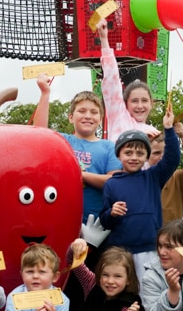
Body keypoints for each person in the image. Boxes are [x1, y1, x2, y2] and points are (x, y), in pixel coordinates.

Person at [99, 113, 180, 282]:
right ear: (119, 155)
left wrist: (169, 129)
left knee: (149, 293)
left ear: (146, 157)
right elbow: (104, 221)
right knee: (122, 293)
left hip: (149, 250)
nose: (134, 157)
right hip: (120, 252)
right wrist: (112, 213)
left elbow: (173, 159)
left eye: (140, 153)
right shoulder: (111, 184)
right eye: (128, 152)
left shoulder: (153, 177)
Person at [34, 76, 121, 223]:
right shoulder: (62, 141)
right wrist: (45, 93)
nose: (88, 116)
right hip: (61, 220)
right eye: (81, 111)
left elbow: (114, 182)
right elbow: (38, 133)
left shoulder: (109, 147)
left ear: (100, 119)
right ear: (70, 117)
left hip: (97, 226)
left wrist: (80, 175)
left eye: (94, 112)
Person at [95, 18, 160, 142]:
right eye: (134, 101)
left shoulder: (154, 132)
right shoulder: (119, 116)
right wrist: (104, 39)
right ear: (125, 104)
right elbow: (111, 79)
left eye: (144, 101)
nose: (140, 106)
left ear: (151, 103)